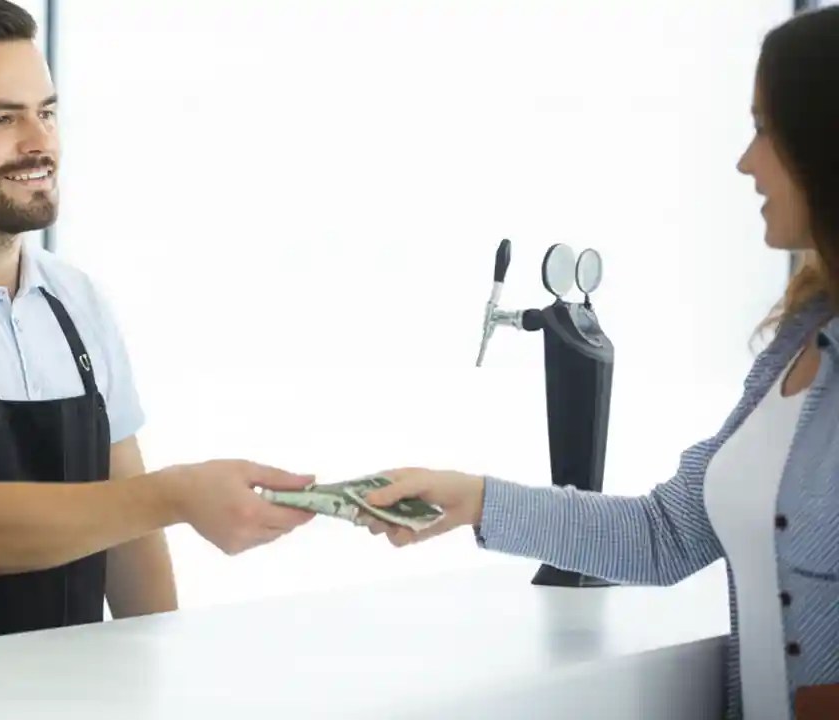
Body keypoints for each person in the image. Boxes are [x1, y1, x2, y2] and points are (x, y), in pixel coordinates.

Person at [357, 7, 839, 719]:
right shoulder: (798, 338)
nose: (745, 161)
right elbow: (666, 535)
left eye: (764, 129)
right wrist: (470, 499)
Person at [0, 0, 314, 654]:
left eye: (47, 112)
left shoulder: (78, 300)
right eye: (3, 118)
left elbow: (132, 539)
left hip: (73, 690)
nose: (39, 142)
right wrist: (177, 494)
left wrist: (162, 675)